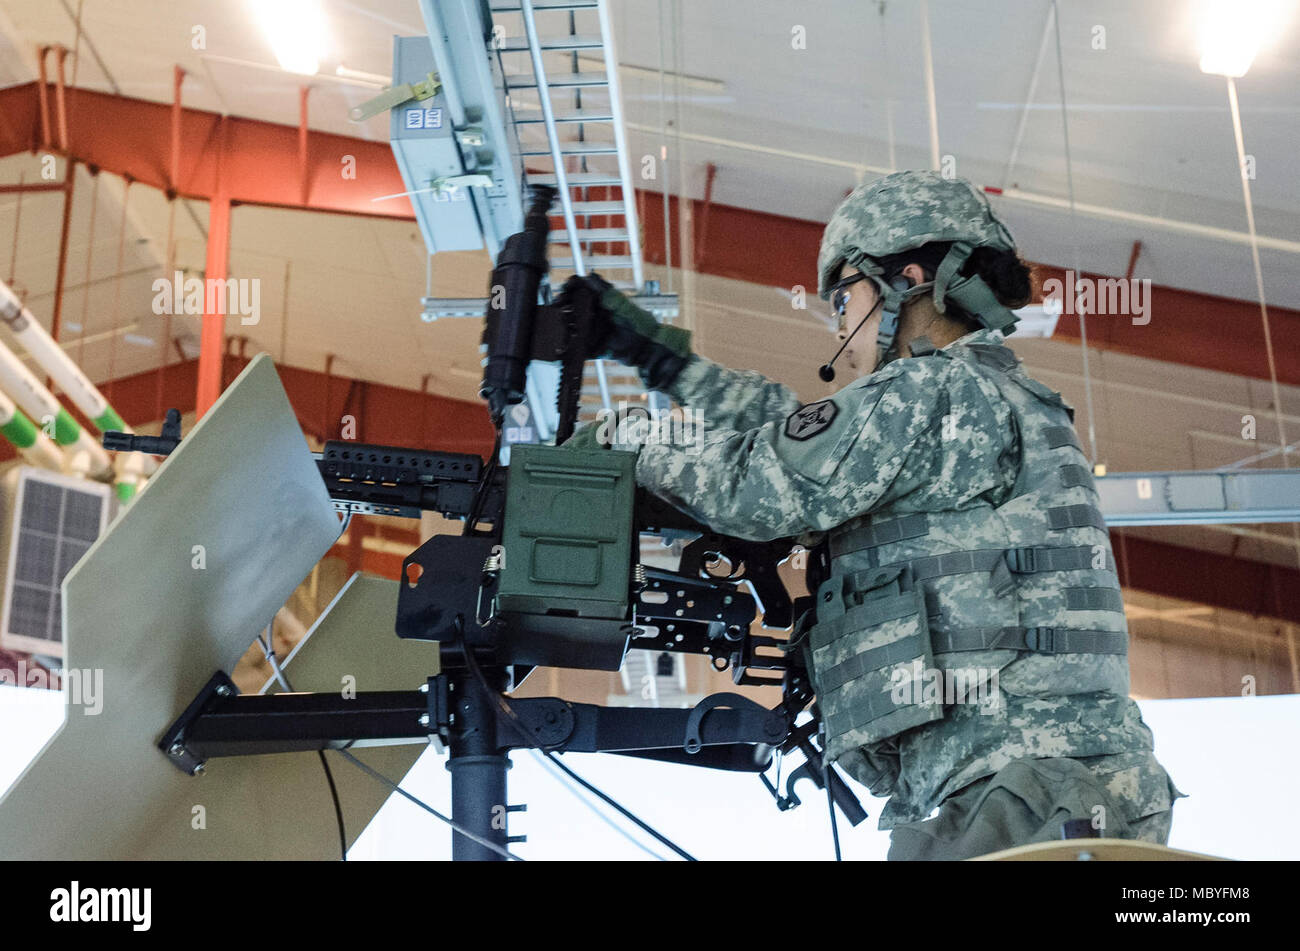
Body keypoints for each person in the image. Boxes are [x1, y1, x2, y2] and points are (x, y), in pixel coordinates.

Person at [562, 170, 1182, 860]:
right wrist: (654, 356)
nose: (838, 326)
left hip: (1012, 796)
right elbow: (802, 435)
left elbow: (755, 484)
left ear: (905, 279)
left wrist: (627, 435)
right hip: (1049, 795)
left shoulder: (929, 389)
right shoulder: (990, 391)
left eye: (843, 297)